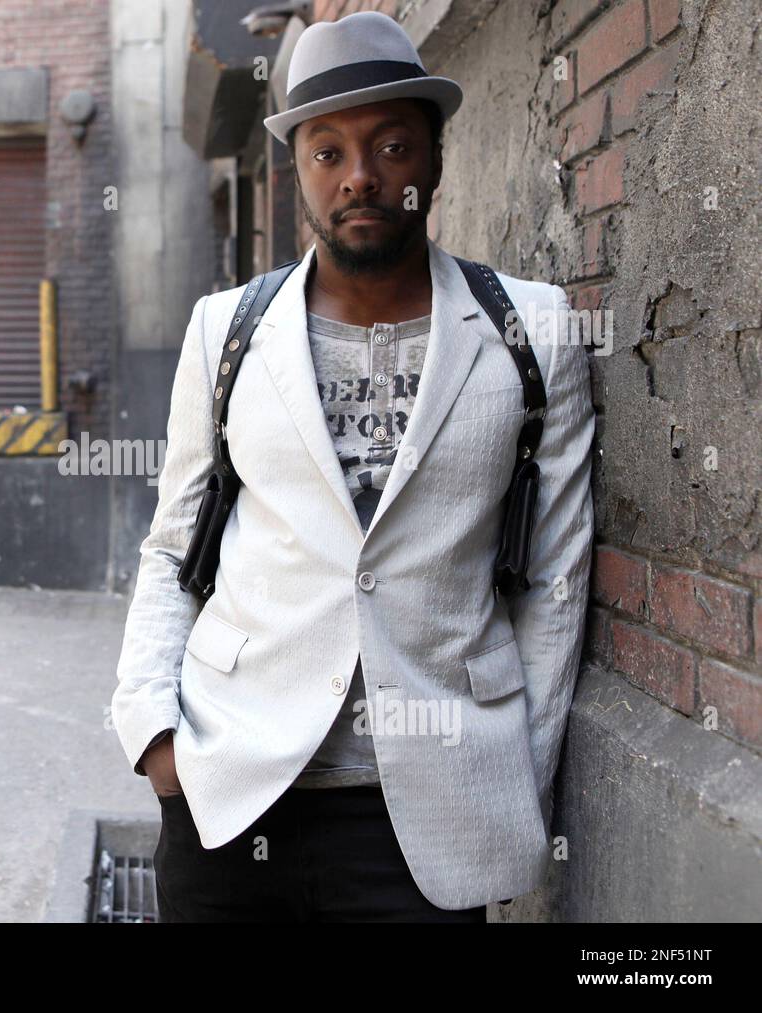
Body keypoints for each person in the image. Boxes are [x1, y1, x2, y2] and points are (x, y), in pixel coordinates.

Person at [110, 11, 595, 922]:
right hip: (234, 788)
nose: (361, 176)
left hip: (429, 813)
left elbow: (556, 583)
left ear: (436, 156)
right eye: (327, 152)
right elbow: (175, 545)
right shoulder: (228, 331)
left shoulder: (531, 329)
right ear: (298, 171)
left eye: (391, 144)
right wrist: (153, 732)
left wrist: (512, 781)